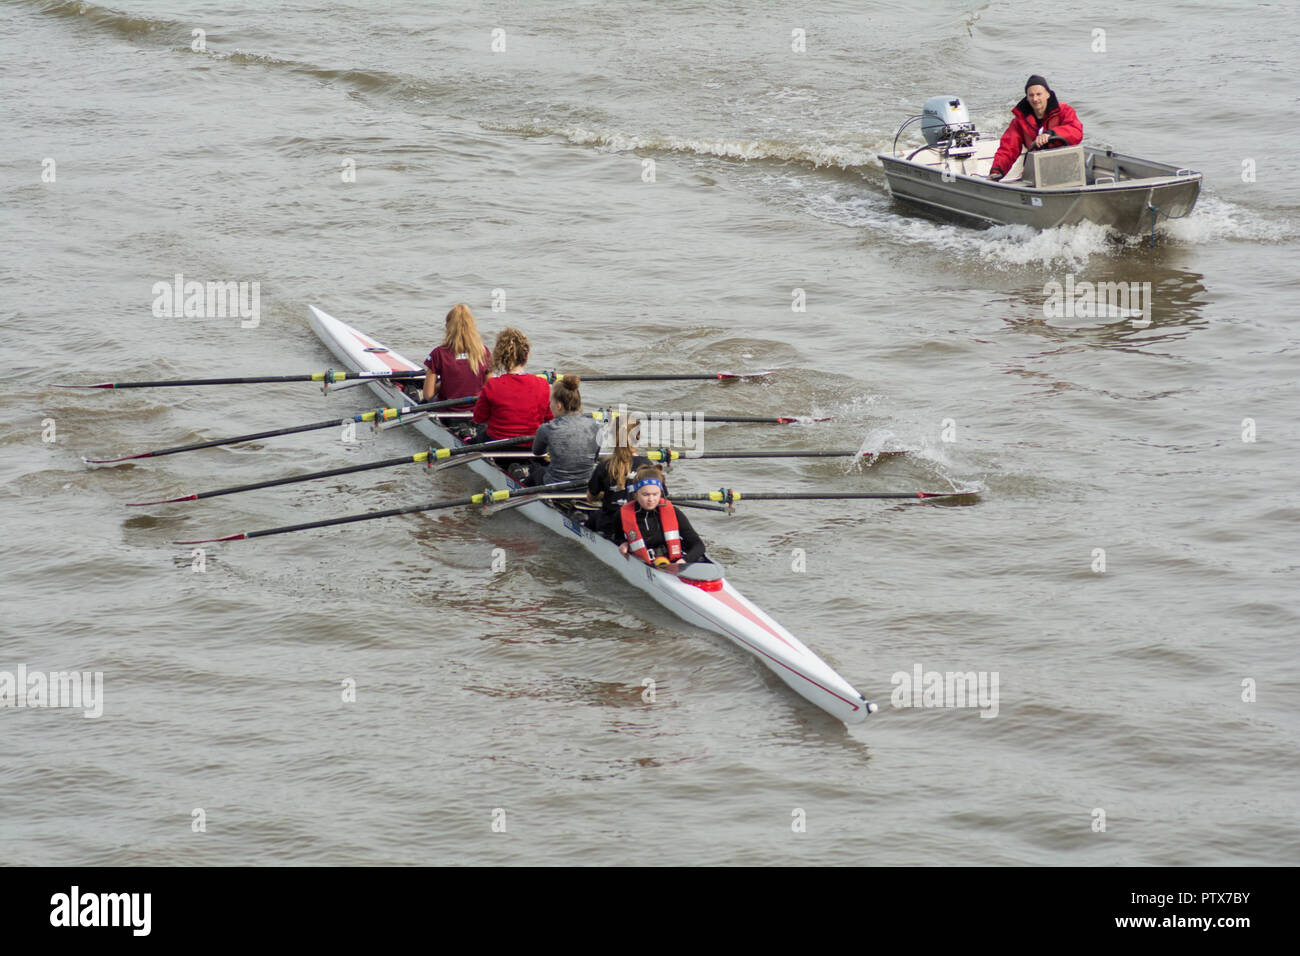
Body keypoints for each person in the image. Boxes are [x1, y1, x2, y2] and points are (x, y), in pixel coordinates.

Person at [987, 75, 1083, 182]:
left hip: (1066, 167)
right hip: (1038, 171)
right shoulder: (1019, 121)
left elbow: (1076, 131)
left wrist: (1051, 134)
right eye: (1031, 95)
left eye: (1039, 94)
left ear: (1048, 94)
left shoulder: (1065, 111)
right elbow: (1008, 148)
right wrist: (996, 171)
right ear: (1027, 98)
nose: (1035, 99)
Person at [614, 464, 706, 567]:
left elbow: (699, 545)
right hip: (644, 562)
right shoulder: (621, 515)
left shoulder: (674, 512)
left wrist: (684, 561)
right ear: (635, 494)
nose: (651, 500)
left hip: (674, 563)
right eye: (645, 495)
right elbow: (617, 537)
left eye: (655, 494)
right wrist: (623, 543)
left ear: (660, 493)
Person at [586, 416, 664, 536]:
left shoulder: (604, 465)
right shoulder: (648, 466)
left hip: (610, 526)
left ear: (613, 438)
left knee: (590, 519)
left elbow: (590, 497)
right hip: (638, 526)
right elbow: (662, 497)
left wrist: (606, 494)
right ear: (638, 437)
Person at [530, 375, 603, 486]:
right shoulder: (597, 427)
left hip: (554, 485)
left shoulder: (546, 429)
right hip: (585, 484)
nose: (549, 405)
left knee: (536, 469)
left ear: (559, 405)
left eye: (551, 402)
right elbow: (594, 458)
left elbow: (537, 452)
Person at [422, 304, 490, 404]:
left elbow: (428, 395)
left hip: (447, 414)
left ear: (448, 327)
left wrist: (442, 384)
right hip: (476, 413)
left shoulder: (438, 353)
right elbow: (489, 390)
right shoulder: (484, 352)